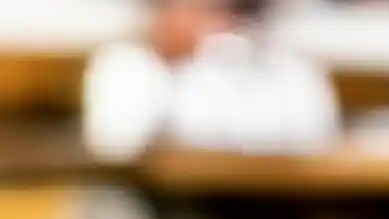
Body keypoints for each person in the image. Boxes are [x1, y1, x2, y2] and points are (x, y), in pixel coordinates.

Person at [83, 0, 339, 163]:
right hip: (171, 216)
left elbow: (316, 135)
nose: (209, 22)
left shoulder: (284, 66)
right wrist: (168, 65)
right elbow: (114, 143)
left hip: (276, 218)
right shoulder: (128, 65)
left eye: (221, 11)